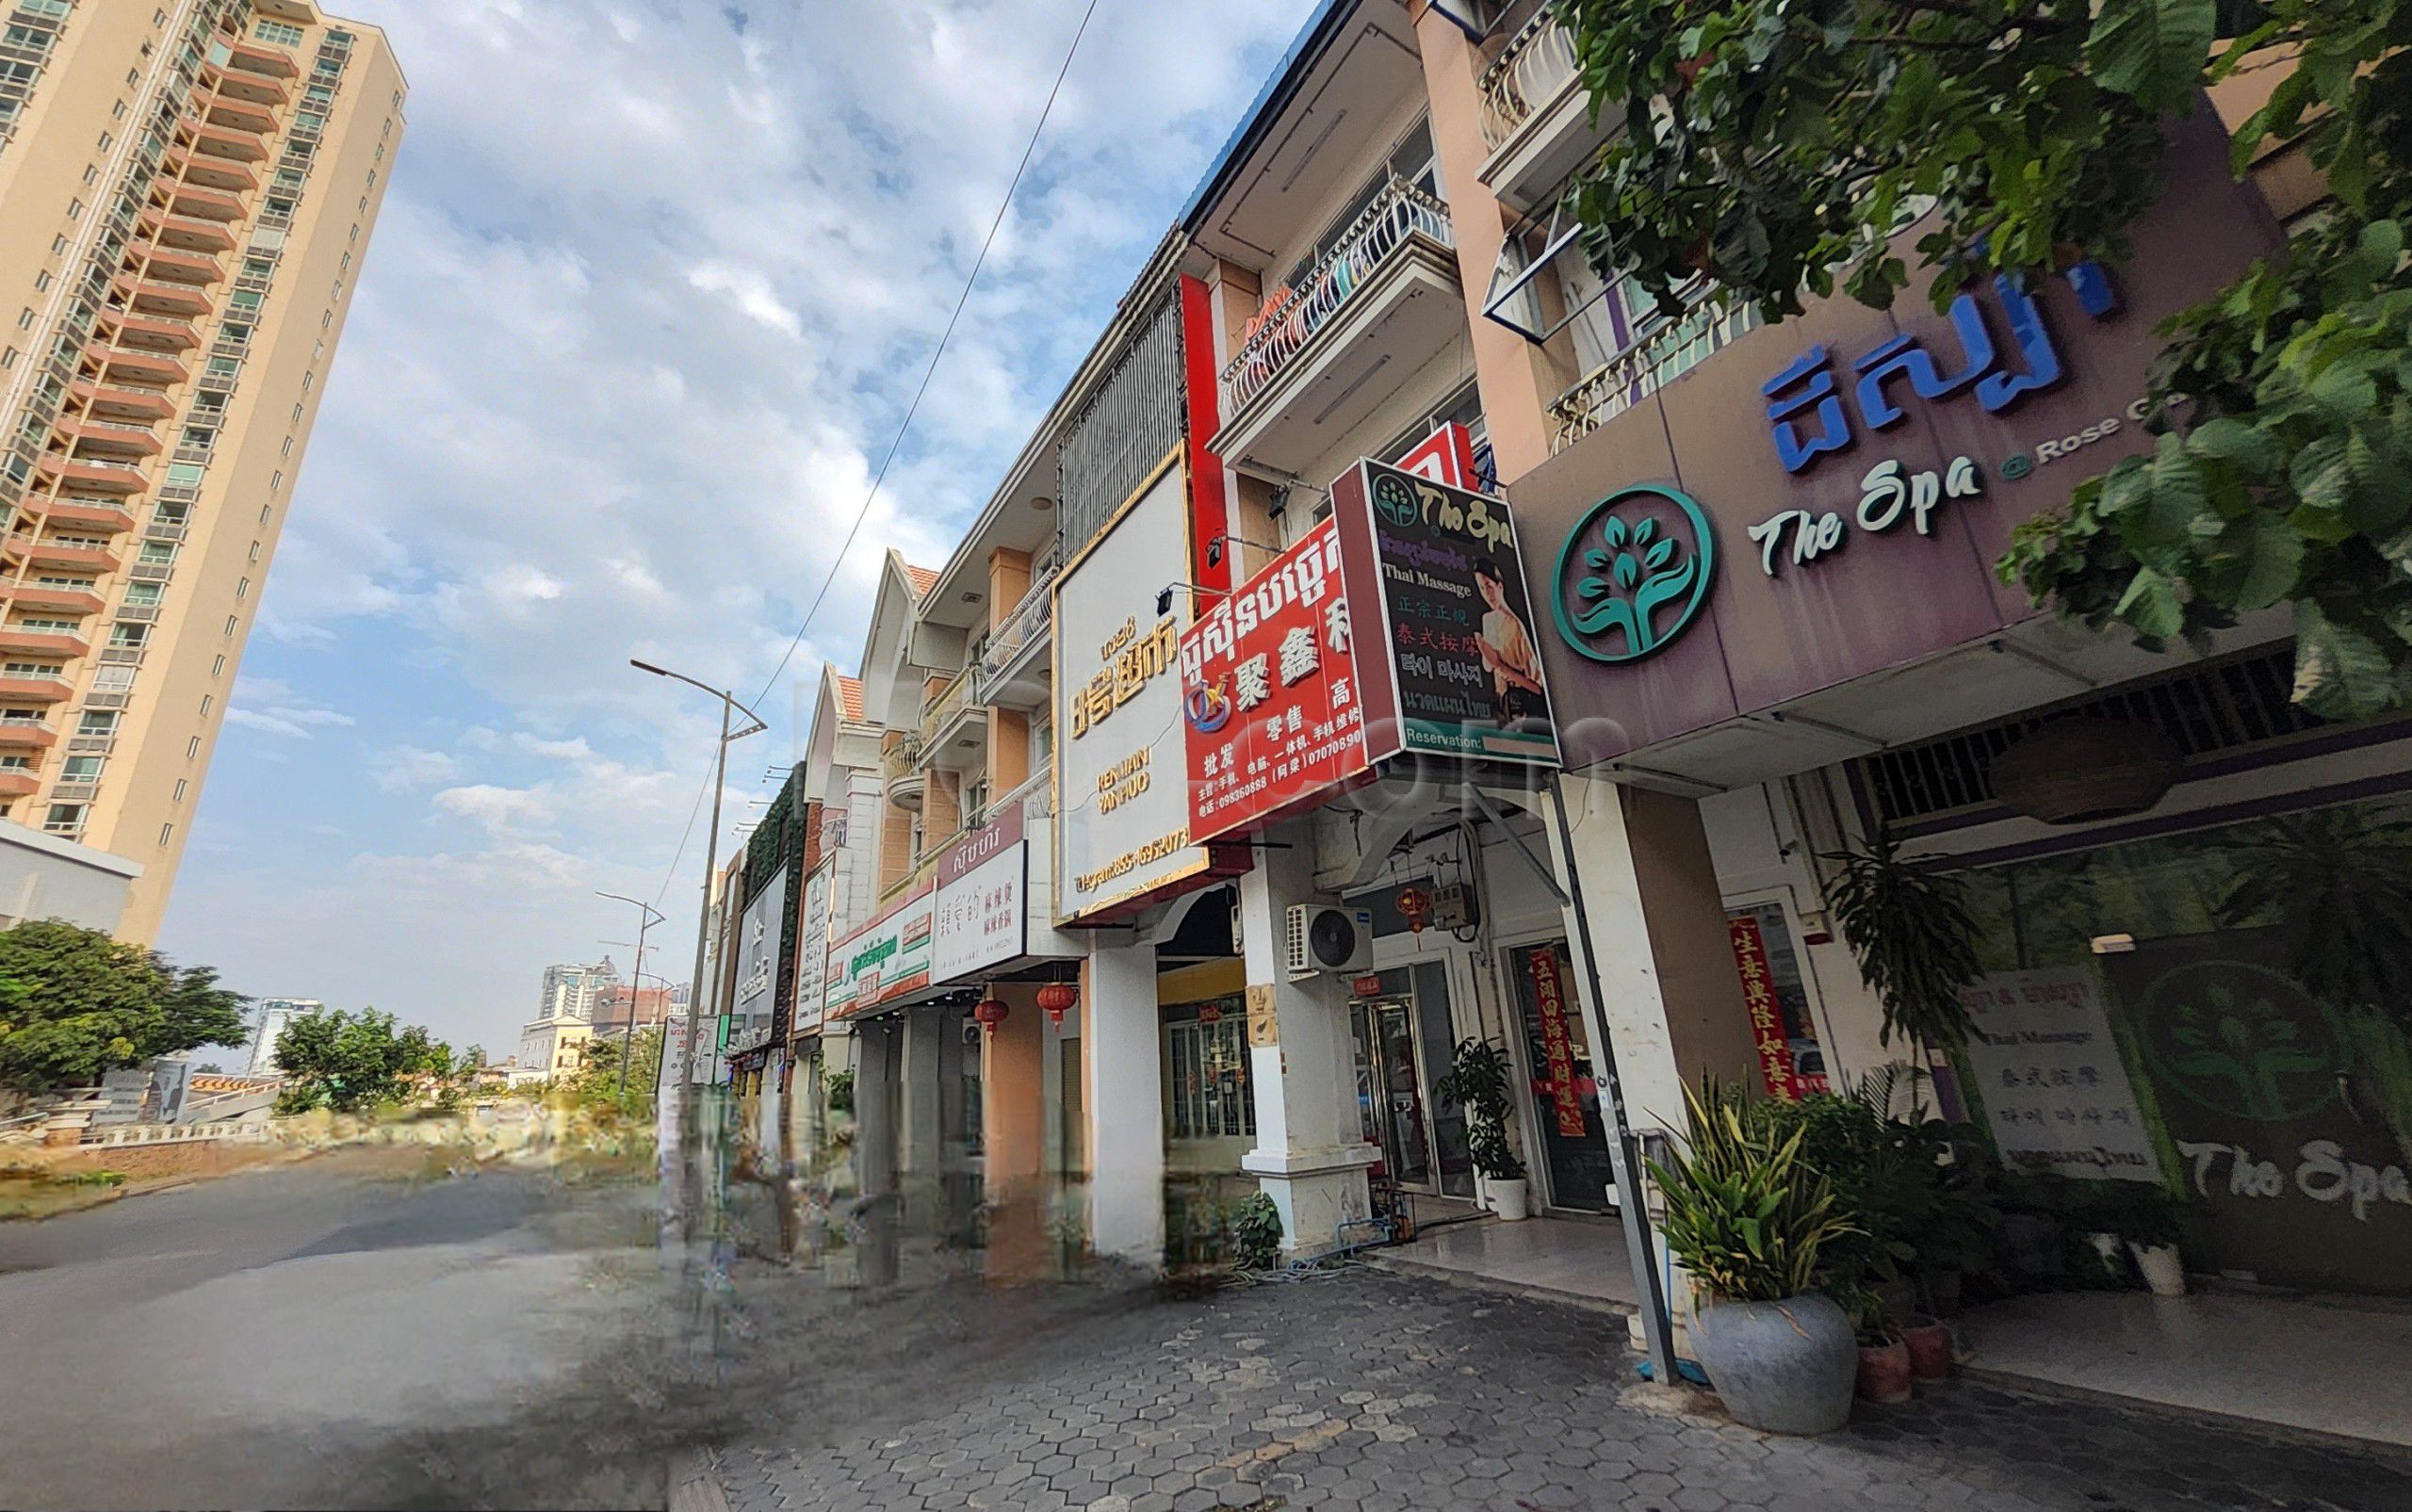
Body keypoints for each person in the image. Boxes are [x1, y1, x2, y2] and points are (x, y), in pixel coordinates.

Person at [1472, 558, 1545, 727]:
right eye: (1482, 588)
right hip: (1499, 702)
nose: (1487, 594)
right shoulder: (1487, 620)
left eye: (1489, 586)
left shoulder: (1516, 626)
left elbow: (1536, 687)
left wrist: (1500, 666)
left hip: (1521, 704)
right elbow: (1488, 666)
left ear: (1500, 587)